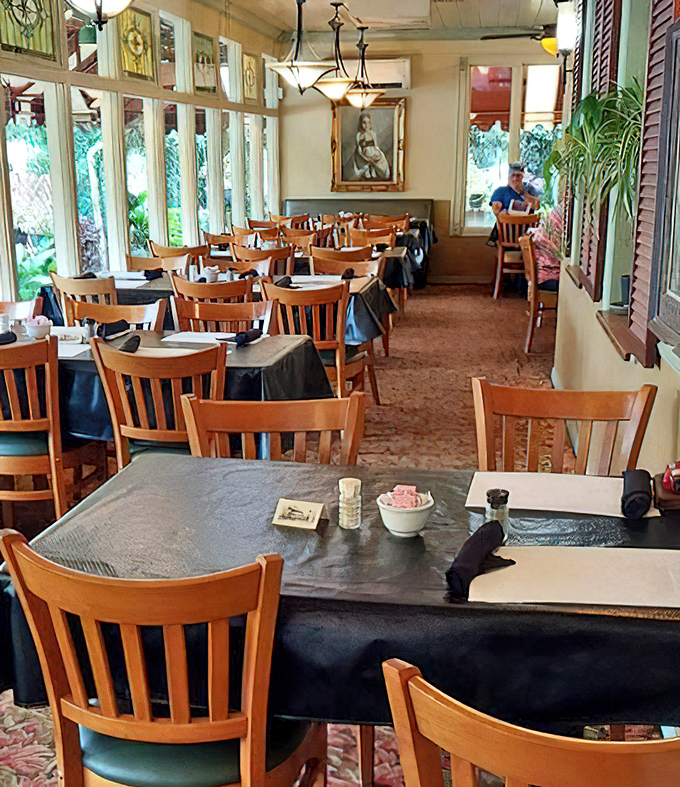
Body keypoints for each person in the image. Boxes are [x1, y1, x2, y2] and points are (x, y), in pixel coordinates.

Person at [352, 113, 391, 180]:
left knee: (382, 159)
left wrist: (378, 154)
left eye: (368, 123)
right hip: (363, 155)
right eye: (364, 123)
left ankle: (380, 173)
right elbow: (359, 149)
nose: (366, 125)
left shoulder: (372, 134)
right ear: (360, 123)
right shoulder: (359, 135)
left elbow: (376, 146)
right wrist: (364, 156)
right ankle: (367, 172)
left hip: (373, 153)